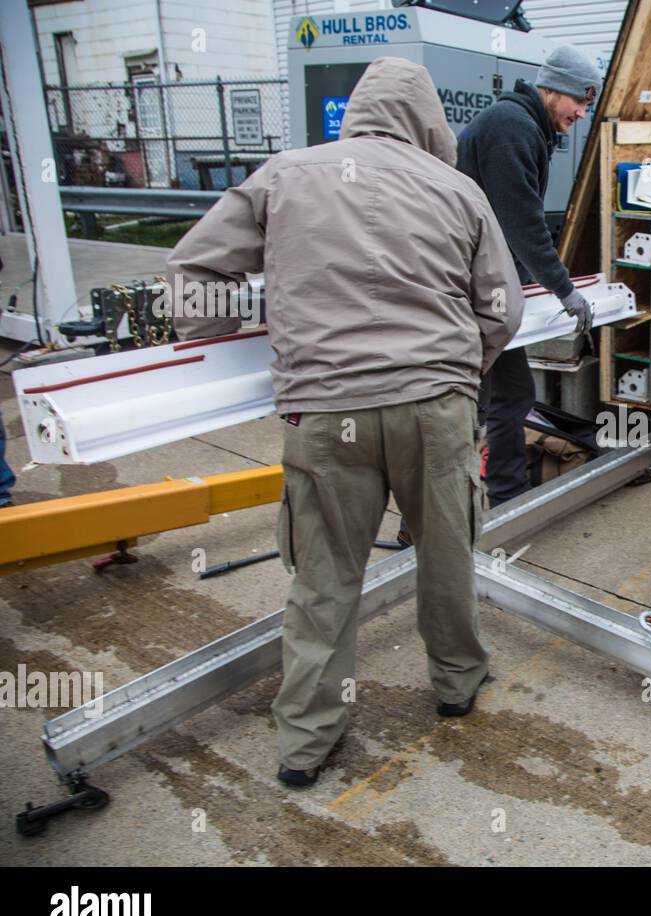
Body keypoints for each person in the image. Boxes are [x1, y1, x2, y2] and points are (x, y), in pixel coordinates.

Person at [167, 58, 523, 786]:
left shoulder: (284, 174)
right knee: (448, 557)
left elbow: (191, 285)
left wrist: (263, 324)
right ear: (430, 122)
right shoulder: (458, 189)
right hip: (434, 412)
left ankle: (305, 742)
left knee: (324, 578)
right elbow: (502, 309)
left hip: (325, 414)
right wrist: (456, 372)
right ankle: (456, 685)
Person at [457, 44, 602, 507]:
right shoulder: (512, 128)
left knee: (488, 394)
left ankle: (481, 490)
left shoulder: (524, 126)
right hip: (468, 286)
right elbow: (521, 222)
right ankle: (505, 496)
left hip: (478, 282)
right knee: (509, 392)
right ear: (553, 88)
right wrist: (564, 290)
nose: (582, 111)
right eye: (579, 100)